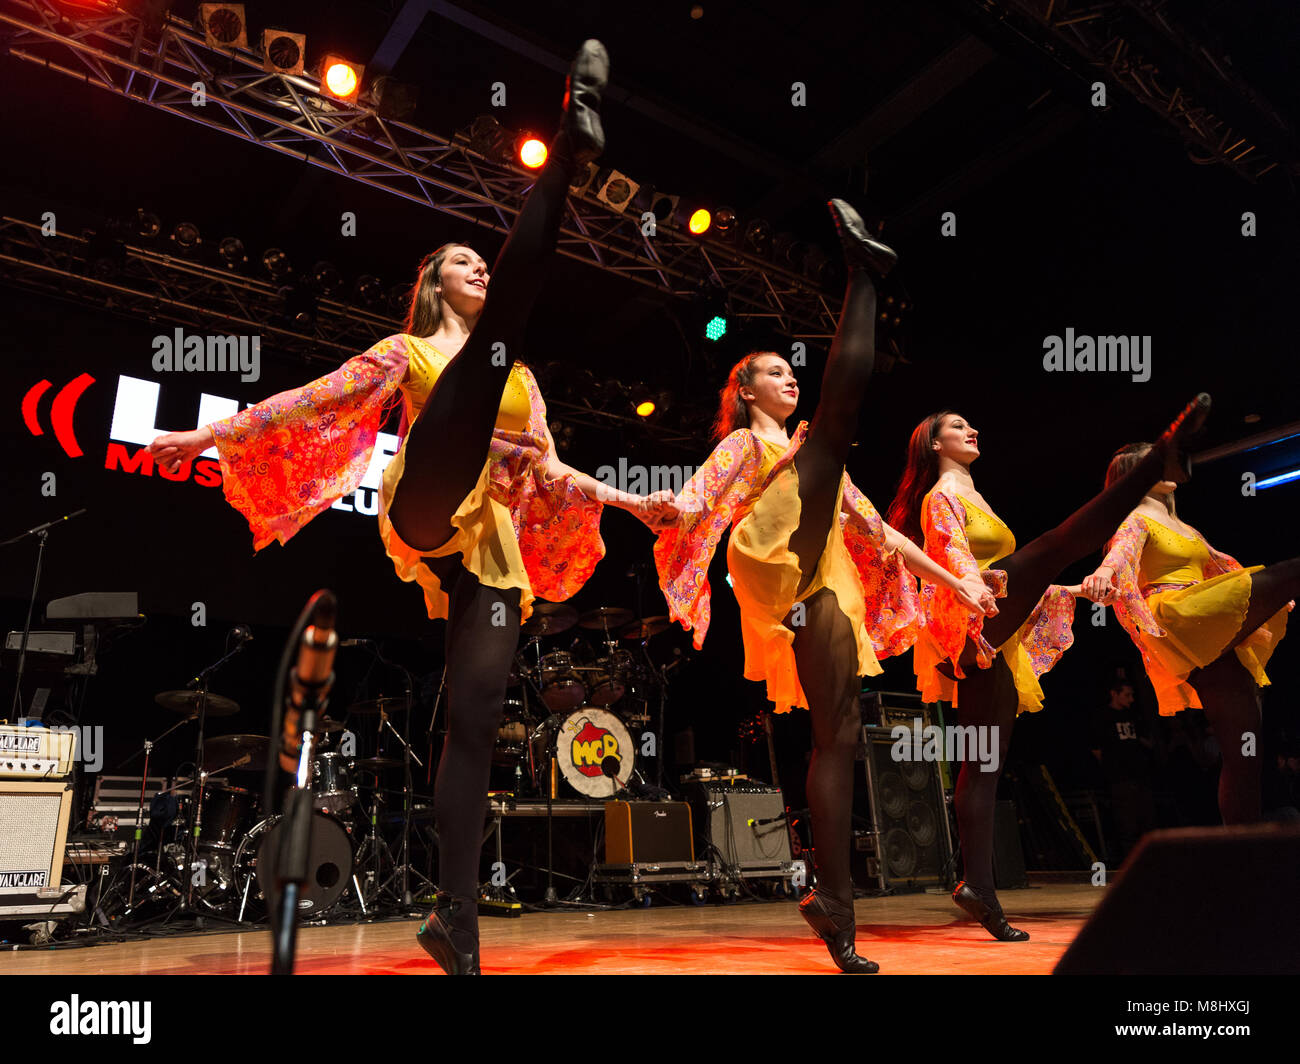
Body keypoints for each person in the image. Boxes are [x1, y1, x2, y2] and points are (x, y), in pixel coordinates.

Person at [151, 41, 670, 975]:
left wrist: (634, 500)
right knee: (492, 353)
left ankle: (454, 916)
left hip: (497, 540)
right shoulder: (408, 351)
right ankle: (568, 144)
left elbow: (551, 472)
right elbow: (313, 400)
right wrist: (209, 436)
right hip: (432, 499)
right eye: (464, 261)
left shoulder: (528, 381)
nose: (475, 268)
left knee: (473, 719)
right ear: (435, 284)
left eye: (484, 260)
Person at [651, 199, 996, 973]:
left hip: (828, 581)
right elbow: (692, 503)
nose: (785, 380)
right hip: (775, 558)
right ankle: (861, 276)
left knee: (837, 736)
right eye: (770, 373)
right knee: (835, 427)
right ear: (744, 392)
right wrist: (616, 494)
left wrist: (959, 585)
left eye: (787, 371)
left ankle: (834, 904)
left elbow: (880, 531)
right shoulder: (745, 443)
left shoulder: (816, 452)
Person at [884, 395, 1211, 940]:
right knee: (1058, 543)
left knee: (987, 756)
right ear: (933, 444)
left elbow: (1013, 574)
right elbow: (955, 556)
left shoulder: (972, 492)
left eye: (971, 422)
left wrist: (1070, 591)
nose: (973, 429)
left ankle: (977, 887)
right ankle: (1153, 461)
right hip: (974, 614)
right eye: (958, 426)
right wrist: (976, 593)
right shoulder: (941, 495)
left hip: (993, 609)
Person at [1080, 443, 1293, 824]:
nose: (1173, 467)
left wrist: (1270, 597)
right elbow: (1120, 554)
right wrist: (1103, 575)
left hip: (1206, 623)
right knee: (1291, 573)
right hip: (1180, 617)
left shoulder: (1184, 527)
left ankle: (1243, 853)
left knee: (1245, 754)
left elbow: (1225, 566)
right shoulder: (1136, 519)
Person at [1088, 678, 1157, 863]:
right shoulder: (1103, 718)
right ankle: (1130, 865)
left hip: (1140, 774)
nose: (1131, 699)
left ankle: (1150, 863)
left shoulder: (1133, 715)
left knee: (1147, 820)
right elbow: (1096, 749)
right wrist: (1113, 767)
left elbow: (1147, 741)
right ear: (1114, 694)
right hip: (1120, 778)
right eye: (1126, 695)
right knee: (1127, 825)